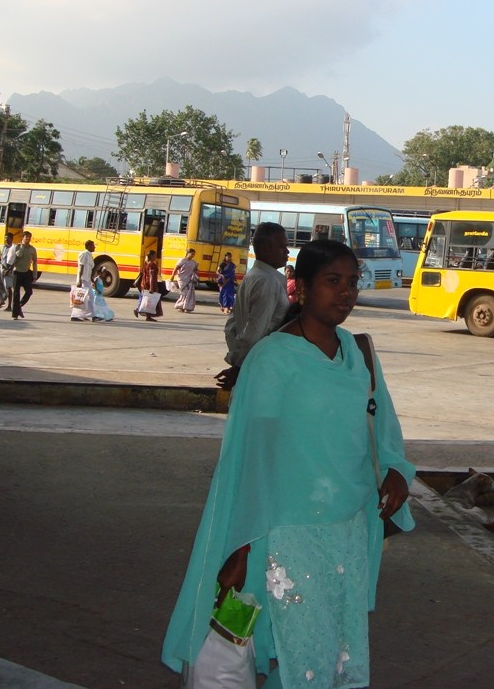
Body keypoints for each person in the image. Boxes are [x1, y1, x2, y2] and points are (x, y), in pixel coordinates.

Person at [162, 238, 415, 687]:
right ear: (299, 288)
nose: (345, 293)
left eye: (353, 283)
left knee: (342, 648)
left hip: (348, 529)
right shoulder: (272, 361)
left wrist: (397, 471)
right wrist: (239, 551)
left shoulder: (358, 354)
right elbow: (251, 462)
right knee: (305, 655)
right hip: (289, 534)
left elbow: (383, 427)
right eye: (333, 281)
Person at [216, 224, 289, 390]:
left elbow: (231, 326)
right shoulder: (267, 281)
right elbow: (255, 329)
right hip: (261, 366)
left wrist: (238, 358)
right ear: (264, 249)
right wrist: (241, 366)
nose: (287, 252)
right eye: (282, 246)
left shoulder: (254, 276)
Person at [11, 231, 37, 320]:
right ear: (22, 238)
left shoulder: (32, 249)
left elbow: (35, 262)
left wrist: (34, 275)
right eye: (26, 237)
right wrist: (22, 246)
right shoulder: (17, 247)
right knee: (16, 293)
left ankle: (19, 307)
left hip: (26, 272)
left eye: (29, 237)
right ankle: (15, 314)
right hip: (17, 272)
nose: (28, 239)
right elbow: (19, 255)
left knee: (29, 291)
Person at [134, 249, 164, 322]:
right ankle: (142, 312)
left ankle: (146, 314)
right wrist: (151, 287)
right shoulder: (152, 265)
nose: (156, 257)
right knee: (151, 300)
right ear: (152, 256)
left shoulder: (146, 263)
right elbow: (151, 276)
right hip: (149, 284)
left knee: (147, 300)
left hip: (144, 284)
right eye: (155, 255)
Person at [71, 240, 96, 322]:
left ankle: (82, 315)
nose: (94, 247)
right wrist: (79, 280)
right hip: (83, 279)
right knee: (86, 297)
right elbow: (80, 268)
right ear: (88, 246)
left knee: (83, 298)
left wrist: (92, 280)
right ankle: (90, 315)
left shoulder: (90, 255)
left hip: (87, 279)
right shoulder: (83, 254)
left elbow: (90, 270)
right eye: (93, 245)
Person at [0, 232, 15, 311]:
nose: (6, 239)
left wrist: (9, 270)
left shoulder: (13, 248)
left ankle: (9, 306)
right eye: (5, 238)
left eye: (8, 238)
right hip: (1, 269)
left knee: (8, 287)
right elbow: (0, 258)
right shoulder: (2, 247)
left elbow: (15, 261)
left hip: (8, 270)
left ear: (11, 239)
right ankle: (2, 300)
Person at [172, 249, 198, 313]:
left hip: (190, 280)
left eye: (194, 254)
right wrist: (172, 276)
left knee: (189, 294)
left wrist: (196, 268)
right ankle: (181, 306)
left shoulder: (193, 262)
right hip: (182, 279)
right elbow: (176, 268)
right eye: (192, 254)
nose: (193, 255)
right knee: (184, 293)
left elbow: (195, 270)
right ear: (188, 253)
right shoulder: (182, 260)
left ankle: (186, 307)